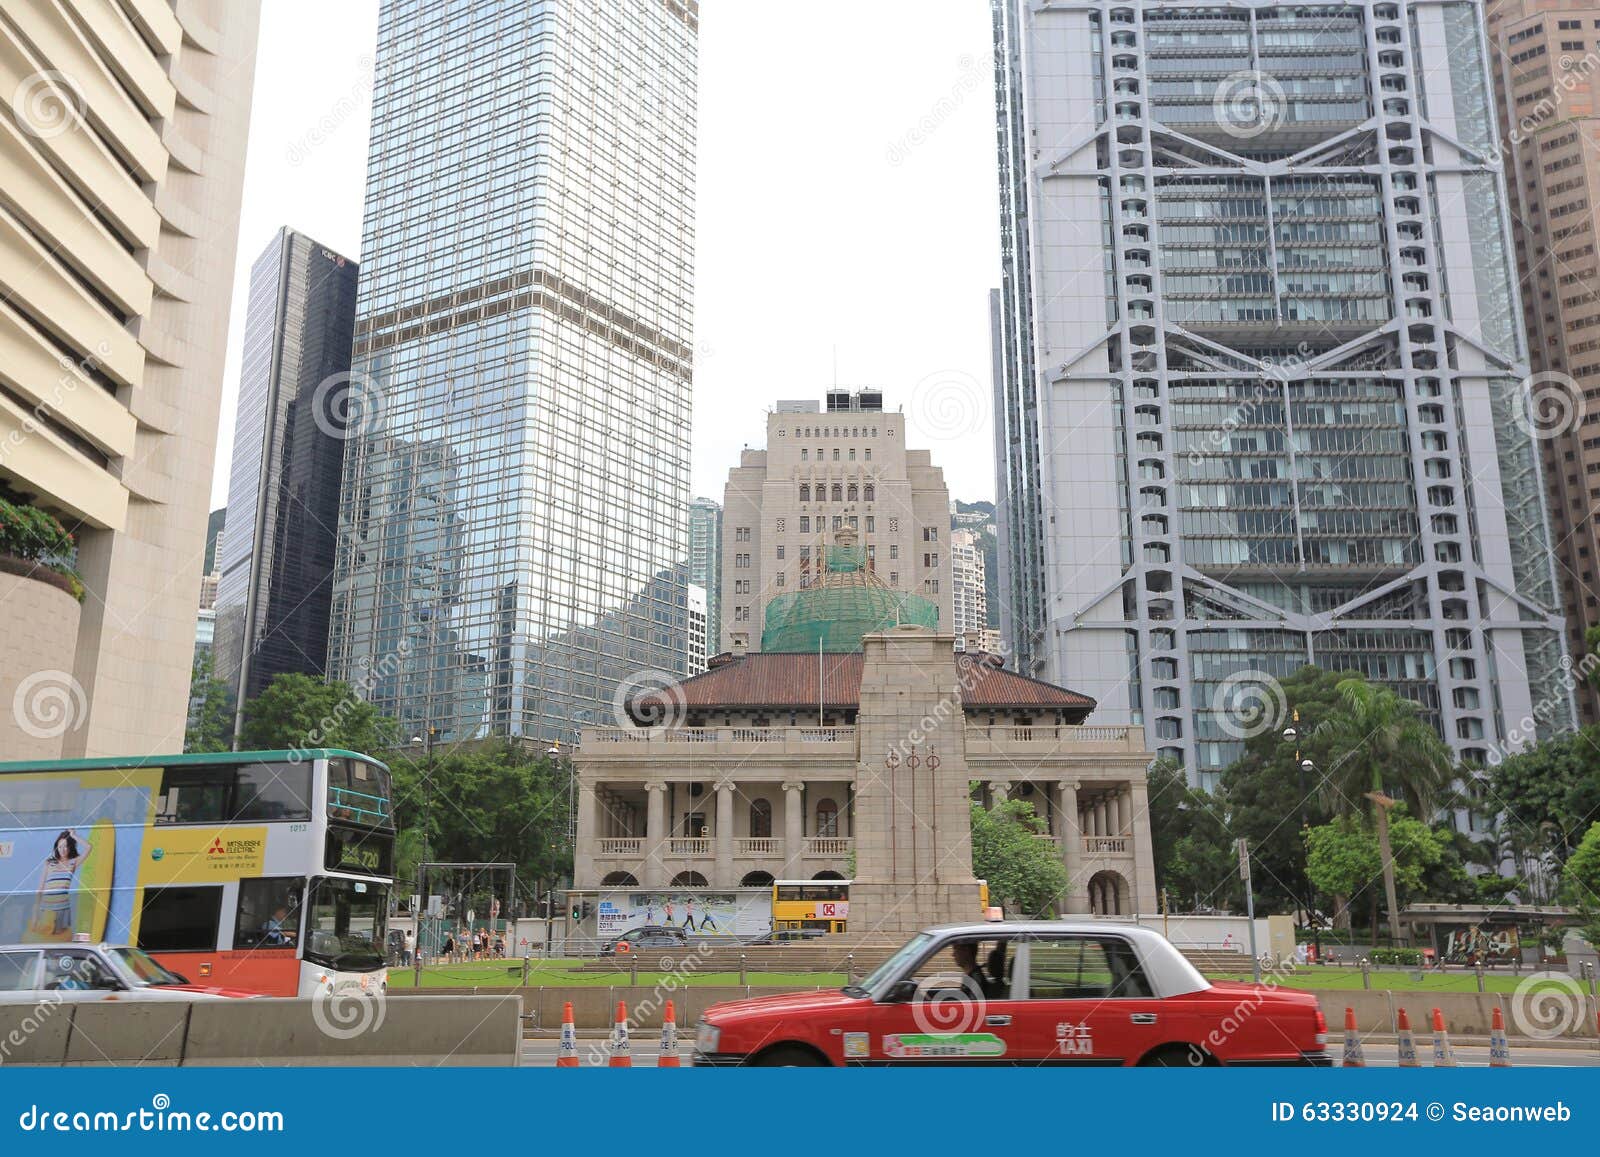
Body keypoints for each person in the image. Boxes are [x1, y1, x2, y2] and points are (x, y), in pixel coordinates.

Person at [33, 829, 92, 938]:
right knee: (44, 937)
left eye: (65, 846)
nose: (62, 850)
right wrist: (35, 915)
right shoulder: (49, 863)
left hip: (62, 909)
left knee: (59, 939)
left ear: (70, 847)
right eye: (60, 847)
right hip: (47, 909)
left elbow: (89, 847)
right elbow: (40, 888)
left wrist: (73, 835)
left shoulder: (73, 862)